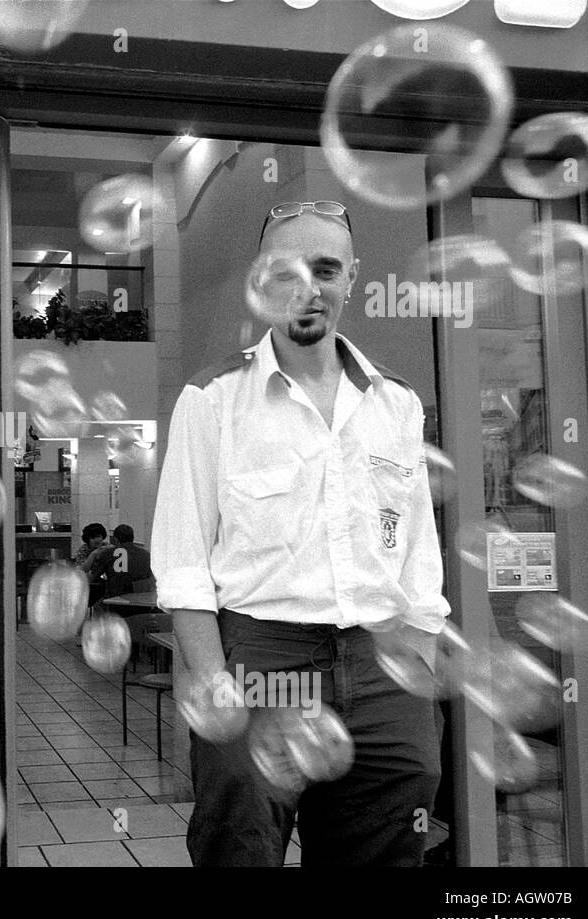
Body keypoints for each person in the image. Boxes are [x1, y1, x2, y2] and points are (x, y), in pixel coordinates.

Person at [151, 201, 450, 867]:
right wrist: (215, 681)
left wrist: (418, 667)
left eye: (326, 269)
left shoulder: (396, 404)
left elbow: (418, 560)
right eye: (287, 271)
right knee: (242, 848)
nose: (308, 288)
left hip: (383, 667)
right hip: (262, 664)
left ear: (352, 278)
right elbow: (183, 567)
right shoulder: (213, 398)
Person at [88, 524, 153, 599]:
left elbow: (91, 578)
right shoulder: (146, 555)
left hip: (115, 600)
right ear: (133, 538)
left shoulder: (108, 553)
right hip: (141, 600)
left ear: (116, 539)